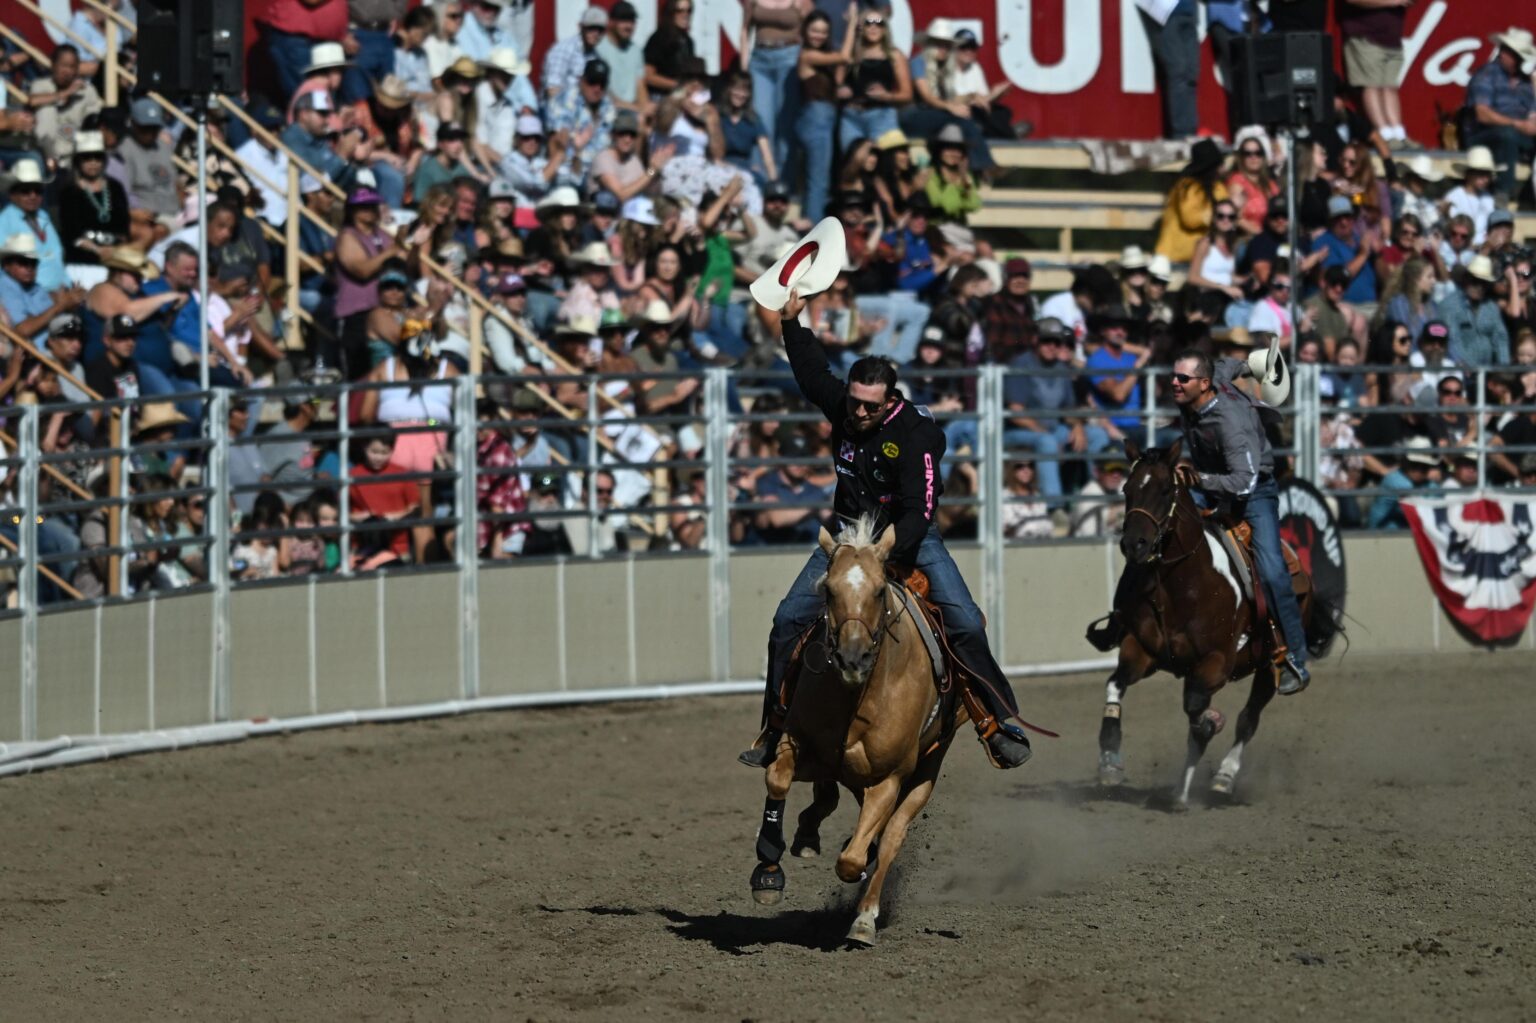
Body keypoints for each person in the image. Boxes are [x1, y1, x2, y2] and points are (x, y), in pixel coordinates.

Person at [738, 287, 1035, 772]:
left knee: (962, 620)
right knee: (788, 620)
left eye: (868, 407)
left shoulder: (917, 435)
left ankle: (999, 720)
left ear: (889, 400)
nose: (857, 414)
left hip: (908, 540)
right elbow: (813, 374)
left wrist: (886, 548)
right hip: (847, 539)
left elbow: (921, 509)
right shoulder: (845, 407)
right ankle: (775, 727)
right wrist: (792, 323)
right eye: (853, 403)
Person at [1168, 349, 1310, 694]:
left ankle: (1296, 658)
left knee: (1274, 571)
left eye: (1182, 379)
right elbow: (1227, 364)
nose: (1174, 383)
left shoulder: (1231, 423)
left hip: (1253, 493)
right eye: (1174, 376)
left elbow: (1244, 483)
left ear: (1202, 386)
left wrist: (1198, 479)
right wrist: (1252, 364)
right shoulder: (1211, 376)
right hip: (1211, 480)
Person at [1462, 27, 1536, 201]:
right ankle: (1504, 190)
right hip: (1484, 133)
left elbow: (1532, 111)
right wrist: (1517, 124)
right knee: (1507, 135)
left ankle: (1530, 195)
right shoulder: (1487, 75)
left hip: (1519, 133)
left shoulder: (1525, 83)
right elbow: (1482, 114)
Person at [1340, 1, 1410, 148]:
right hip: (1366, 36)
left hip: (1391, 39)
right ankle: (1383, 134)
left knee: (1390, 87)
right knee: (1371, 85)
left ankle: (1398, 134)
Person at [1138, 0, 1199, 140]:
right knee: (1178, 69)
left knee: (1191, 73)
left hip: (1188, 11)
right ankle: (1181, 134)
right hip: (1164, 10)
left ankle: (1190, 132)